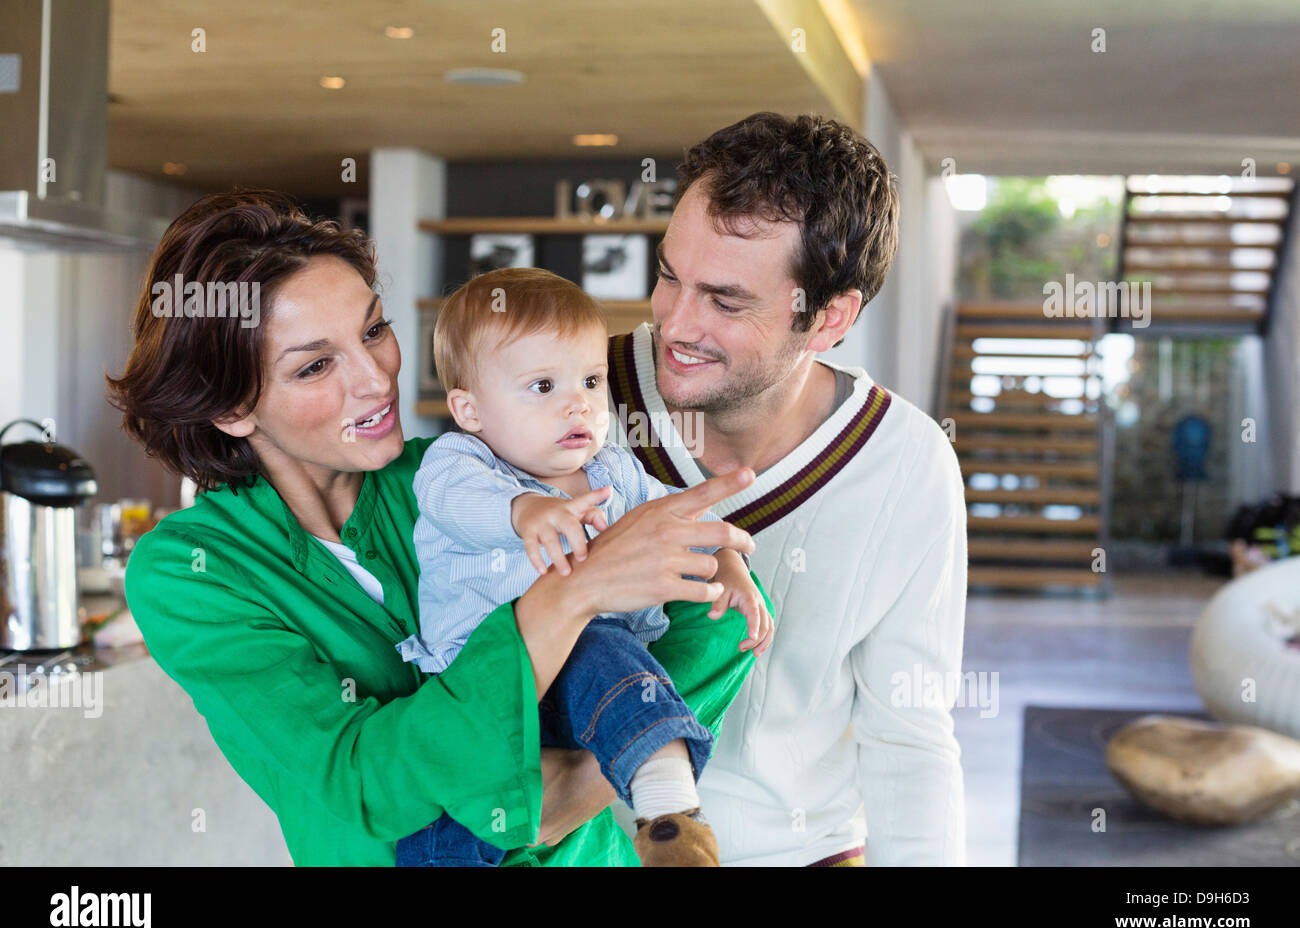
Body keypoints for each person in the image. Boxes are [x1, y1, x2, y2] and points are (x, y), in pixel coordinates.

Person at [108, 188, 763, 867]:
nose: (375, 379)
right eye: (314, 365)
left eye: (372, 331)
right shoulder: (188, 573)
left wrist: (569, 788)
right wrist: (577, 600)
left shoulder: (476, 475)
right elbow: (361, 781)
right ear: (232, 407)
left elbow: (724, 624)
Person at [602, 112, 968, 865]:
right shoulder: (569, 402)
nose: (675, 322)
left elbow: (910, 741)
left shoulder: (908, 464)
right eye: (670, 275)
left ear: (829, 319)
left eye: (726, 301)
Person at [392, 267, 774, 866]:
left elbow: (673, 519)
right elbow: (451, 501)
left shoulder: (615, 472)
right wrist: (524, 511)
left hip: (591, 681)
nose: (578, 402)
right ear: (469, 410)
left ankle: (671, 814)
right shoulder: (460, 462)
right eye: (542, 386)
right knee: (447, 825)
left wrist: (725, 560)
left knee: (613, 658)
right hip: (488, 682)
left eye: (591, 380)